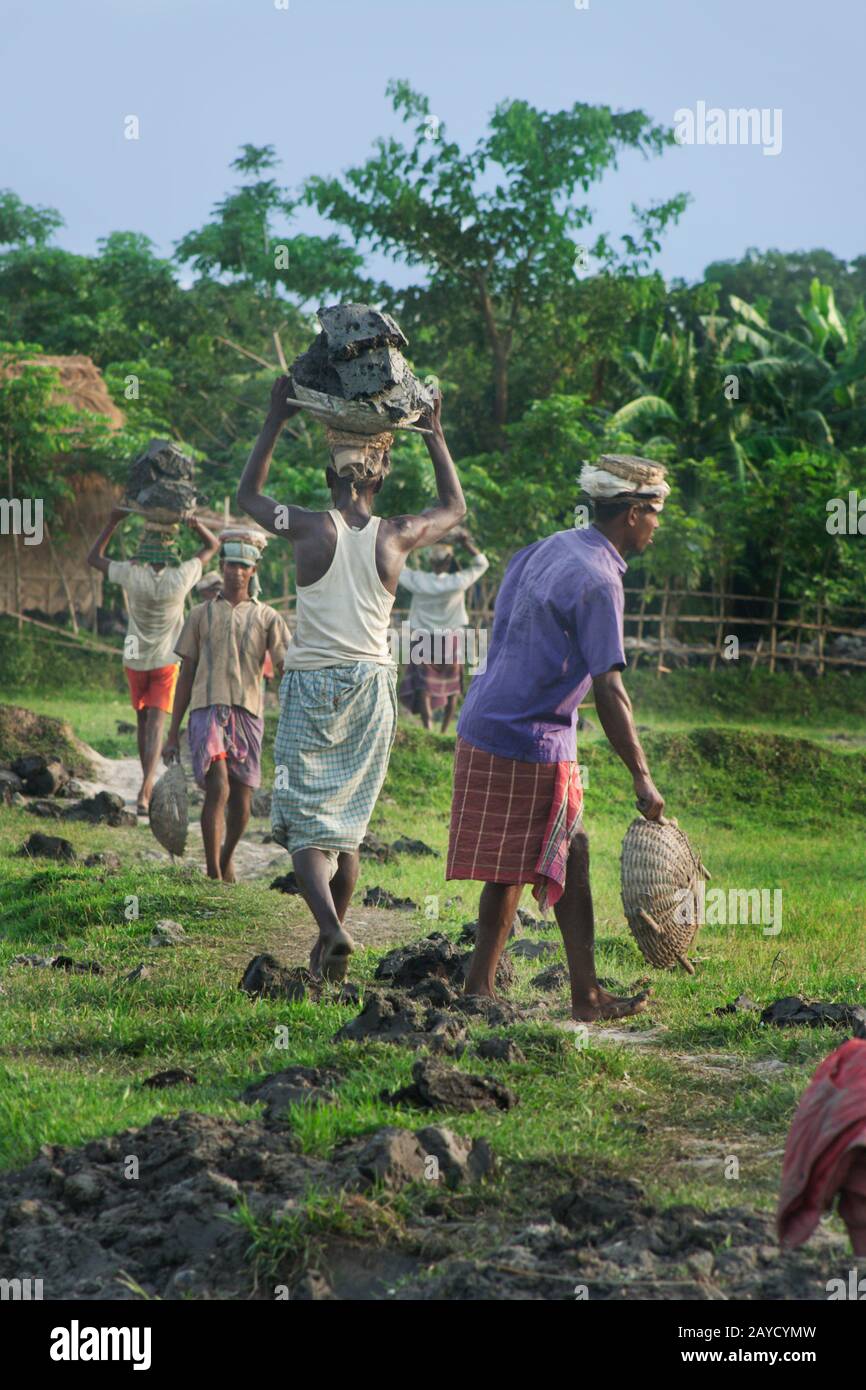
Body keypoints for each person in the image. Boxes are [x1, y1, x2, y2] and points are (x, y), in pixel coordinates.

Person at [237, 376, 466, 980]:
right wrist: (436, 435)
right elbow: (453, 508)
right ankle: (327, 948)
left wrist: (275, 419)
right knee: (349, 830)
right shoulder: (397, 534)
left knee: (307, 827)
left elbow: (248, 499)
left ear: (329, 476)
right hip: (373, 689)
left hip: (312, 683)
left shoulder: (309, 526)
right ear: (380, 476)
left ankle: (331, 931)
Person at [446, 454, 670, 1024]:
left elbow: (508, 610)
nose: (658, 524)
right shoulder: (600, 580)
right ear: (633, 513)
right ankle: (584, 995)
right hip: (529, 733)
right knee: (568, 850)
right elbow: (610, 690)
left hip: (486, 718)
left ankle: (482, 986)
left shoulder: (555, 545)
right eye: (656, 512)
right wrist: (641, 774)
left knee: (527, 861)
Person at [163, 535, 290, 883]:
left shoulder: (268, 618)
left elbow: (285, 669)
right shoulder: (200, 614)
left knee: (243, 799)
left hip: (248, 712)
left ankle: (227, 854)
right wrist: (173, 733)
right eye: (231, 565)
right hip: (206, 709)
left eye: (243, 566)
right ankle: (212, 870)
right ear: (221, 568)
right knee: (218, 787)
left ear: (253, 571)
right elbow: (185, 674)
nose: (236, 572)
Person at [87, 507, 218, 815]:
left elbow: (93, 559)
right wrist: (196, 524)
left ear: (143, 548)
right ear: (173, 551)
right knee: (157, 724)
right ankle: (146, 788)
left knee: (142, 722)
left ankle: (145, 785)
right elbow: (212, 546)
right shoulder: (181, 576)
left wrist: (112, 521)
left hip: (134, 657)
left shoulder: (132, 573)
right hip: (165, 658)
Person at [398, 528, 489, 733]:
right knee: (452, 687)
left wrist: (413, 542)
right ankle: (445, 730)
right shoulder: (457, 581)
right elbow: (482, 563)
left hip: (422, 639)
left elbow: (398, 566)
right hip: (450, 639)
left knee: (424, 686)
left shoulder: (418, 581)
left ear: (431, 563)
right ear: (448, 563)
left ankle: (428, 727)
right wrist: (466, 544)